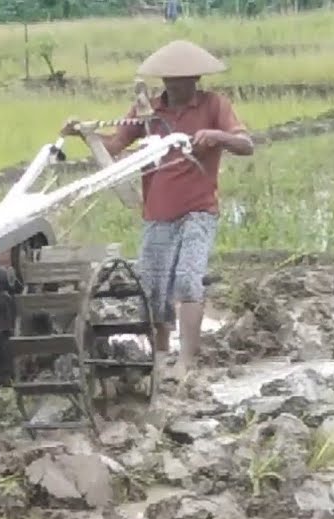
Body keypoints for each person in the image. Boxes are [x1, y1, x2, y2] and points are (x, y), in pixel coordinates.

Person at [61, 40, 253, 378]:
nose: (174, 86)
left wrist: (216, 136)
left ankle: (186, 362)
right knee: (153, 286)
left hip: (198, 210)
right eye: (168, 80)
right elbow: (114, 146)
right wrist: (83, 134)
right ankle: (161, 353)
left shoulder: (214, 106)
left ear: (196, 79)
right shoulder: (147, 111)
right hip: (156, 213)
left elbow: (246, 144)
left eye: (181, 80)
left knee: (186, 280)